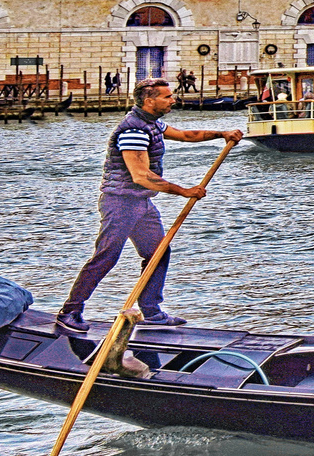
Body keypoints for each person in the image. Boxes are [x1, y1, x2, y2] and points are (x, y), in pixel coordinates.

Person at [55, 78, 242, 333]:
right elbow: (141, 175)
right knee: (106, 257)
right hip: (119, 203)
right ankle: (70, 311)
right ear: (149, 101)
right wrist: (184, 191)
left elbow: (186, 135)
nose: (173, 100)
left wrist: (221, 134)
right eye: (167, 97)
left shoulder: (152, 123)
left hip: (141, 202)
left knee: (158, 253)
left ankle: (152, 313)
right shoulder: (133, 130)